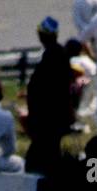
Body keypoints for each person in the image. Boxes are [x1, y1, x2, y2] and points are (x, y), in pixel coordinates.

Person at [26, 17, 77, 174]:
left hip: (49, 117)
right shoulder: (56, 54)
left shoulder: (53, 56)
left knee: (42, 155)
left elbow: (44, 89)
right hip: (52, 116)